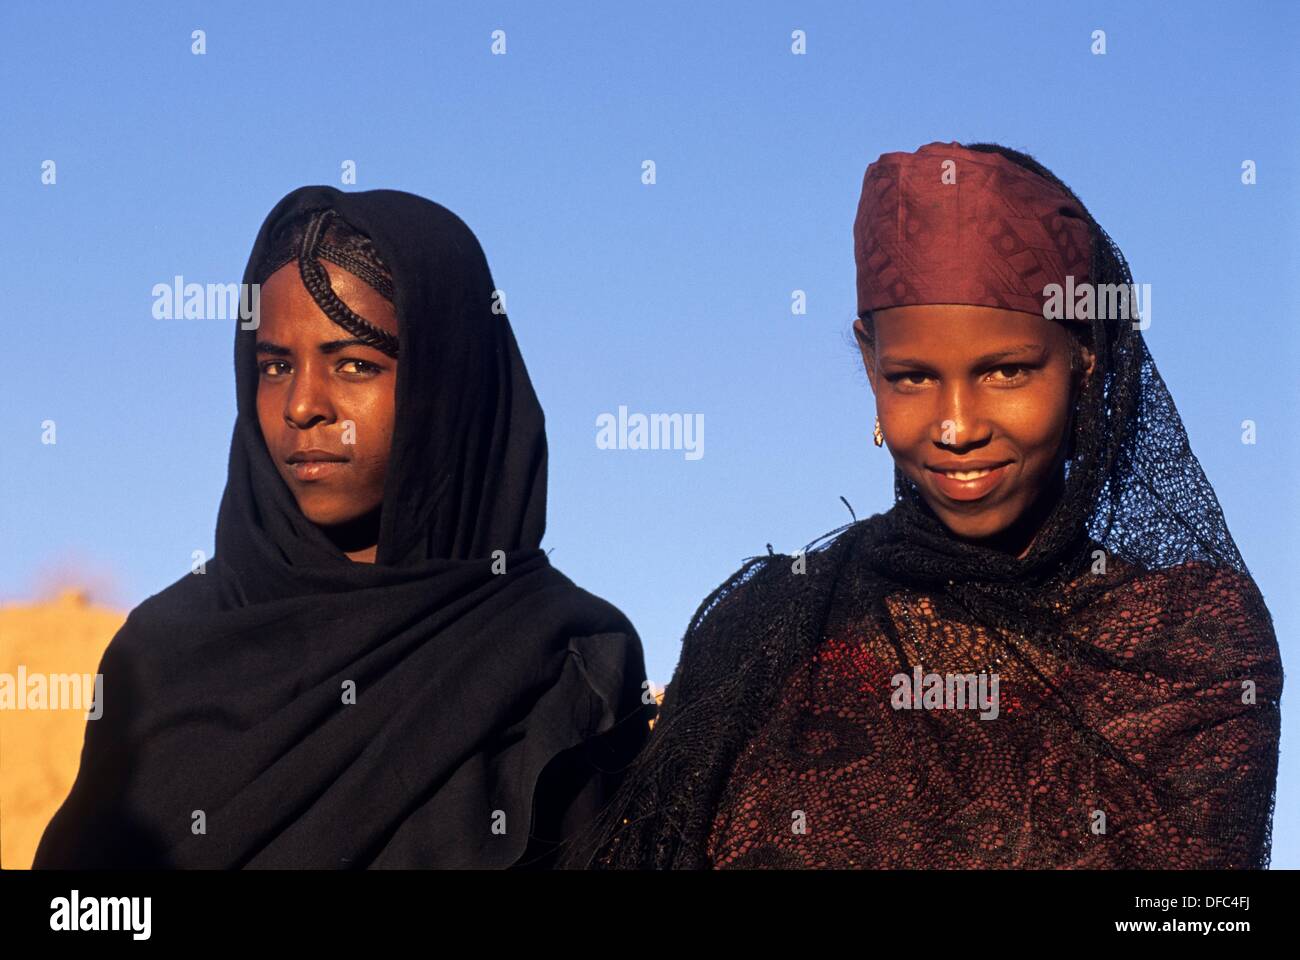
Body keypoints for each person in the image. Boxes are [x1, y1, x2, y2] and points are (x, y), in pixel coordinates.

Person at [560, 141, 1283, 869]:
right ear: (869, 362)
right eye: (911, 378)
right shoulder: (761, 636)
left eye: (1007, 371)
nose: (957, 426)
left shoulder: (1180, 643)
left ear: (1084, 360)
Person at [33, 187, 653, 869]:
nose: (301, 405)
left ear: (448, 383)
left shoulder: (566, 658)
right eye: (275, 366)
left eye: (355, 363)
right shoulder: (159, 657)